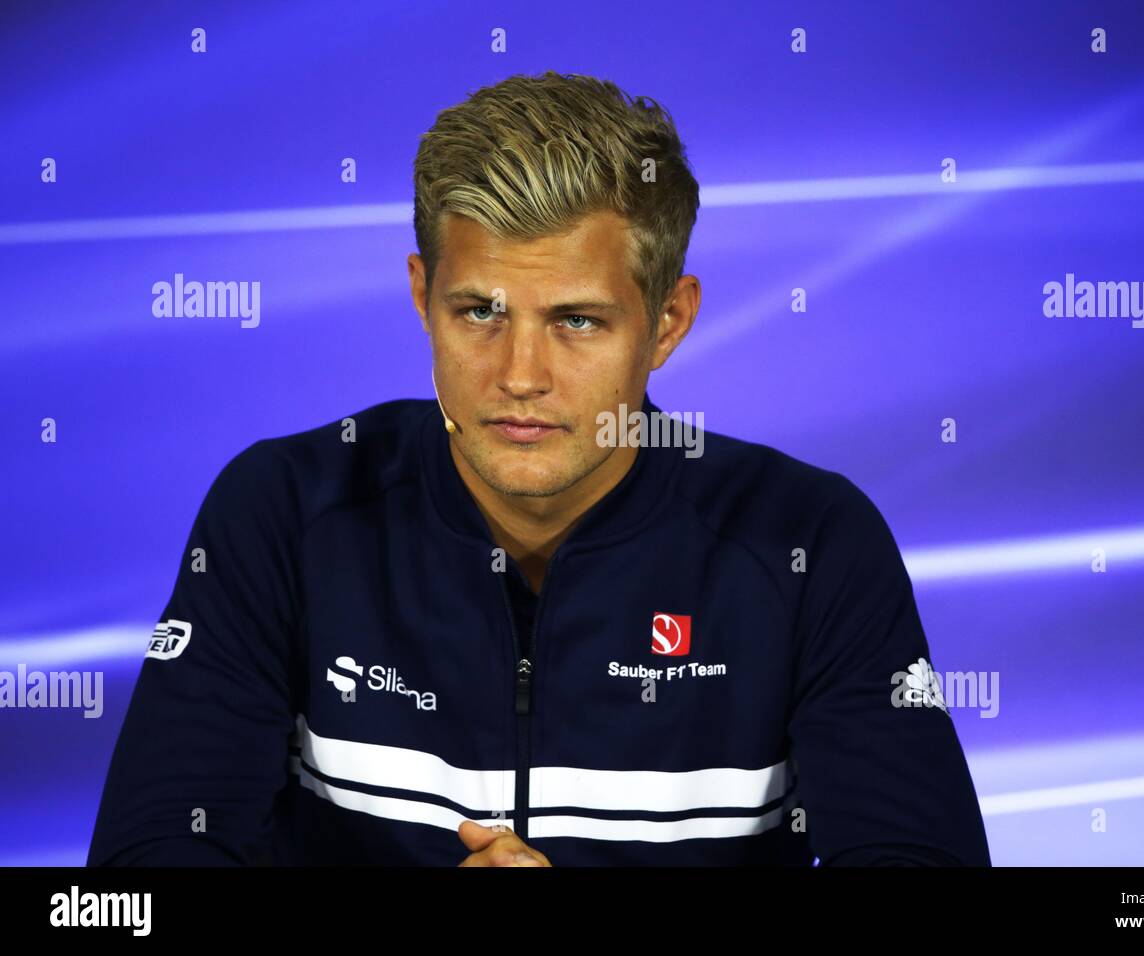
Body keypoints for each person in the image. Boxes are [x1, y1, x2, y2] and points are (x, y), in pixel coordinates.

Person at [87, 71, 990, 866]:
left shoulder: (810, 543)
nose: (519, 376)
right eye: (478, 311)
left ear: (668, 323)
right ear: (420, 297)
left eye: (578, 320)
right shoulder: (283, 512)